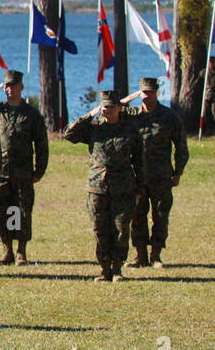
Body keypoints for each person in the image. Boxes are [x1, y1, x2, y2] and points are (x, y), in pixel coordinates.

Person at [64, 91, 145, 282]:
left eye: (110, 106)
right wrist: (91, 114)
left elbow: (139, 161)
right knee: (100, 229)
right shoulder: (93, 128)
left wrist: (140, 188)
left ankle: (117, 269)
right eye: (104, 106)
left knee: (120, 229)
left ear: (119, 107)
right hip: (97, 187)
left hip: (123, 187)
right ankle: (104, 268)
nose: (107, 110)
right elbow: (69, 134)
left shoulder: (130, 130)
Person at [0, 70, 48, 265]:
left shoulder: (31, 114)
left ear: (21, 87)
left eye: (13, 85)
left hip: (23, 171)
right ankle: (7, 250)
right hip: (0, 171)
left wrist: (39, 170)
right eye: (6, 85)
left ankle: (21, 251)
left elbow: (41, 143)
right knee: (3, 211)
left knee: (21, 210)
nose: (9, 89)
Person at [122, 77, 188, 268]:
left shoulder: (169, 117)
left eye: (149, 92)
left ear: (156, 93)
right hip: (136, 177)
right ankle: (140, 256)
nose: (146, 96)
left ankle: (156, 255)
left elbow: (181, 147)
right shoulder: (132, 115)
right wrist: (129, 98)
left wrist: (178, 173)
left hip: (161, 176)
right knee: (137, 215)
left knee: (160, 215)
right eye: (143, 92)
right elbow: (111, 109)